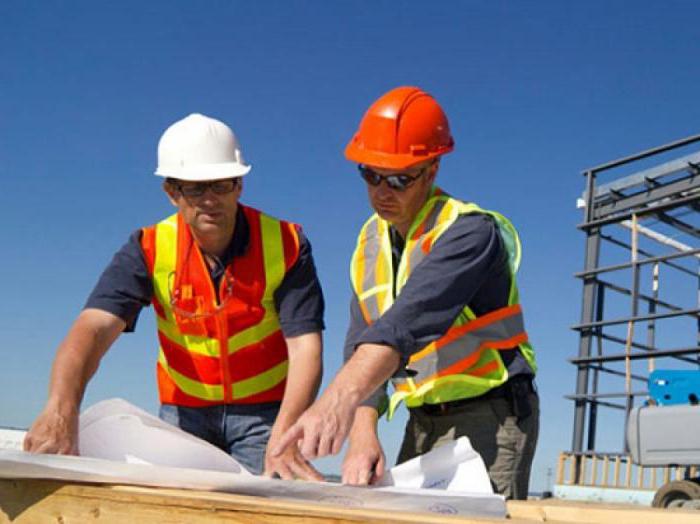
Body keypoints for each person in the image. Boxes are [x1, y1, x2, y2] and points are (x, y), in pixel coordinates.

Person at [24, 113, 325, 480]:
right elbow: (93, 329)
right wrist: (60, 409)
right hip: (184, 413)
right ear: (172, 192)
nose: (210, 200)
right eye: (195, 188)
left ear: (239, 184)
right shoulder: (147, 248)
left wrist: (287, 433)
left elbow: (305, 348)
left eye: (221, 185)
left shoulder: (287, 244)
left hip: (267, 414)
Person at [274, 87, 538, 498]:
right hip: (422, 418)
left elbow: (404, 324)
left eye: (399, 178)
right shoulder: (370, 242)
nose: (382, 191)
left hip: (492, 413)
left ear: (431, 170)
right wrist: (363, 430)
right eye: (370, 174)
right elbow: (363, 337)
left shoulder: (469, 232)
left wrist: (335, 401)